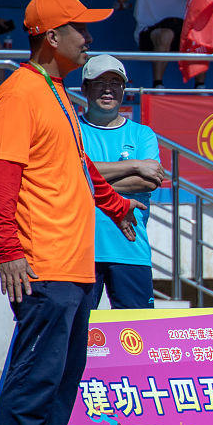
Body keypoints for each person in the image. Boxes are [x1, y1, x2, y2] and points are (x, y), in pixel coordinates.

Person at [0, 0, 144, 425]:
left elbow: (79, 166)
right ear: (52, 37)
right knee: (36, 377)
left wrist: (115, 204)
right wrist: (8, 248)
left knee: (63, 378)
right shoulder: (19, 93)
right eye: (80, 29)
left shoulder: (54, 92)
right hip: (43, 264)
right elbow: (0, 178)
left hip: (73, 265)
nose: (89, 37)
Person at [78, 55, 165, 310]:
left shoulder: (142, 133)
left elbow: (148, 183)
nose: (108, 89)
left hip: (130, 248)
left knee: (138, 339)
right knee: (77, 339)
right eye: (100, 82)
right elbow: (69, 172)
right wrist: (134, 165)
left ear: (124, 89)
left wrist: (85, 180)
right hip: (80, 252)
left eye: (115, 82)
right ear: (84, 88)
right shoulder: (71, 128)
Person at [114, 0, 190, 89]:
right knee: (165, 34)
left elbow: (200, 7)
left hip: (179, 32)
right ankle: (158, 85)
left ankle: (200, 86)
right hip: (148, 33)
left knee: (199, 35)